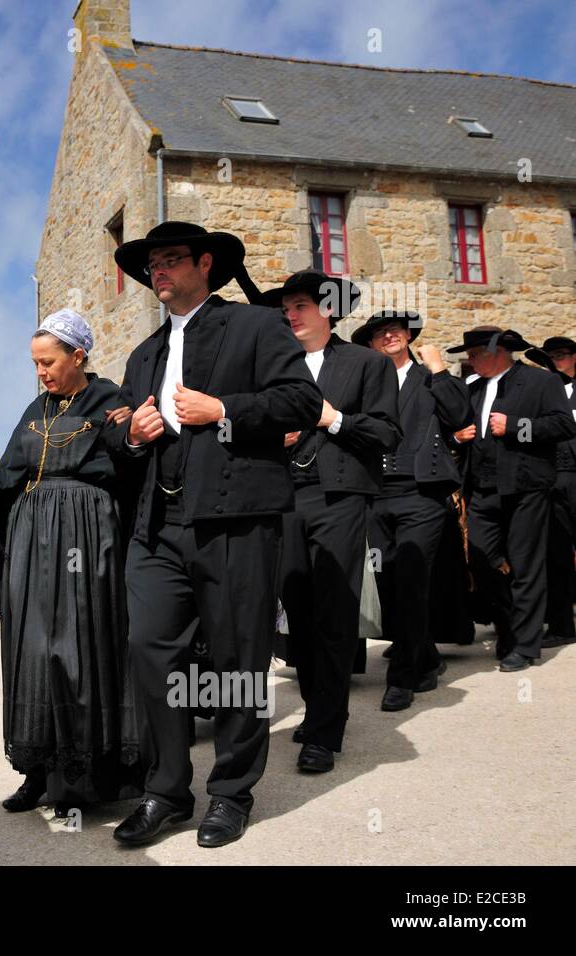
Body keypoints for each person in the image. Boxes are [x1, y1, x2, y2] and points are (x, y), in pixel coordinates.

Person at [104, 221, 322, 848]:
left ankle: (230, 792)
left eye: (172, 260)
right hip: (157, 525)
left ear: (205, 263)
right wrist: (132, 434)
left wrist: (224, 409)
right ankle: (167, 789)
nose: (159, 272)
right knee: (150, 650)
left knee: (236, 660)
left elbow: (301, 403)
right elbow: (124, 437)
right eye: (152, 264)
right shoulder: (144, 353)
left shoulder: (254, 326)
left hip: (234, 522)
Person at [0, 309, 140, 817]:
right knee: (33, 648)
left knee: (77, 646)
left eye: (49, 361)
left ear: (79, 355)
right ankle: (39, 769)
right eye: (35, 363)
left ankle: (85, 777)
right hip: (33, 538)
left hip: (86, 530)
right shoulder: (37, 407)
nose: (41, 372)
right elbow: (11, 472)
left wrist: (133, 434)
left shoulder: (110, 400)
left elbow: (130, 460)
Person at [264, 270, 400, 772]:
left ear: (328, 310)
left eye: (301, 305)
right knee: (296, 608)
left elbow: (387, 434)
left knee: (334, 610)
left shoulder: (366, 364)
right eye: (287, 307)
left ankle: (325, 728)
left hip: (340, 496)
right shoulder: (275, 366)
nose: (291, 313)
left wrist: (332, 418)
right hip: (282, 495)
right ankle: (320, 704)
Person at [352, 312, 471, 712]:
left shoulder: (430, 378)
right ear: (370, 345)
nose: (389, 335)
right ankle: (427, 656)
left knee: (412, 579)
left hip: (421, 494)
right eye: (379, 333)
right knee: (387, 584)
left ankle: (401, 677)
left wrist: (438, 368)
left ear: (408, 337)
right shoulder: (365, 382)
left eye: (396, 329)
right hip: (374, 493)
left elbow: (460, 417)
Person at [450, 327, 576, 670]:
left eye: (475, 353)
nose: (470, 360)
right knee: (480, 559)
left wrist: (517, 426)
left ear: (500, 352)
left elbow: (564, 426)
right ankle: (507, 626)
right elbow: (457, 429)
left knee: (526, 565)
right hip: (482, 488)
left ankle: (525, 643)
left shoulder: (541, 382)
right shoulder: (471, 388)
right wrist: (458, 437)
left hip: (527, 488)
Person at [538, 336, 576, 647]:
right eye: (549, 357)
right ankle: (562, 624)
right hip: (555, 477)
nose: (556, 361)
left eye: (562, 355)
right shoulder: (543, 391)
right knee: (557, 553)